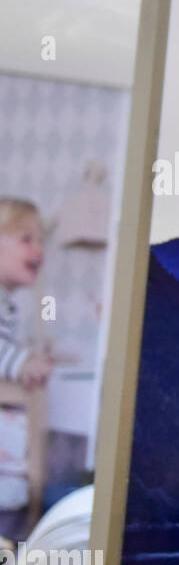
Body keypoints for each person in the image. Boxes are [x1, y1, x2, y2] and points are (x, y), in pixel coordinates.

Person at [0, 196, 53, 546]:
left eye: (41, 240)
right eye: (26, 239)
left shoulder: (9, 305)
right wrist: (20, 363)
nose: (39, 249)